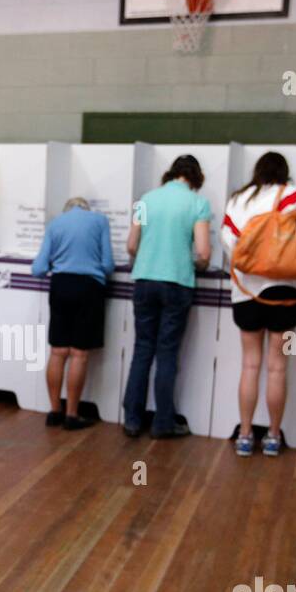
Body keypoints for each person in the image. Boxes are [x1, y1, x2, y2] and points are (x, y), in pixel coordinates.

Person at [221, 152, 296, 457]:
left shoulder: (238, 200)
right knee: (278, 367)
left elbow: (229, 242)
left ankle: (244, 435)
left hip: (246, 294)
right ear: (285, 173)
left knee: (250, 365)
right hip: (287, 294)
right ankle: (272, 436)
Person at [122, 155, 211, 438]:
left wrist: (149, 257)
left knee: (142, 349)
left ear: (171, 174)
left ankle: (132, 420)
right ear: (195, 178)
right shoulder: (197, 203)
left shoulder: (146, 200)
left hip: (145, 280)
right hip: (177, 283)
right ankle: (163, 423)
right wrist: (195, 264)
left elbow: (131, 245)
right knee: (167, 353)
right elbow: (204, 253)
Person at [31, 197, 114, 430]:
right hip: (90, 288)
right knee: (79, 354)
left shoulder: (56, 224)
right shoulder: (100, 221)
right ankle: (72, 415)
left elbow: (38, 269)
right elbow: (108, 264)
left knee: (57, 352)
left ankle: (54, 411)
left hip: (60, 286)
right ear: (86, 208)